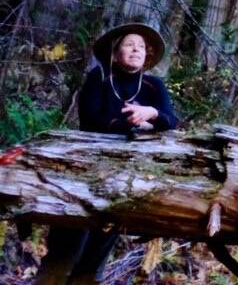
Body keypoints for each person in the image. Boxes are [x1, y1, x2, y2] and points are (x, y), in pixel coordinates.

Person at [36, 23, 179, 285]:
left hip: (126, 178)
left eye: (141, 47)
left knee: (98, 250)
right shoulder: (98, 78)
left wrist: (151, 113)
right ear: (115, 53)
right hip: (86, 170)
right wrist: (132, 125)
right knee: (66, 246)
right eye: (129, 44)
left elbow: (171, 120)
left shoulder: (153, 86)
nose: (136, 49)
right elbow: (91, 120)